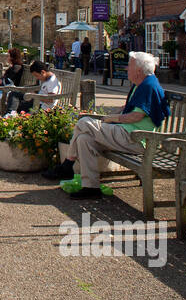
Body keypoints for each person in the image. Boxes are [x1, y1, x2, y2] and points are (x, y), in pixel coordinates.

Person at [48, 51, 169, 195]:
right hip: (127, 134)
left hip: (136, 139)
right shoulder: (141, 84)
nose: (126, 69)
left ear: (139, 70)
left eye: (129, 65)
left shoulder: (148, 86)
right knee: (84, 140)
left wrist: (113, 119)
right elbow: (129, 108)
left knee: (84, 122)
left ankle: (67, 164)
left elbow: (136, 116)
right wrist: (110, 113)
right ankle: (90, 188)